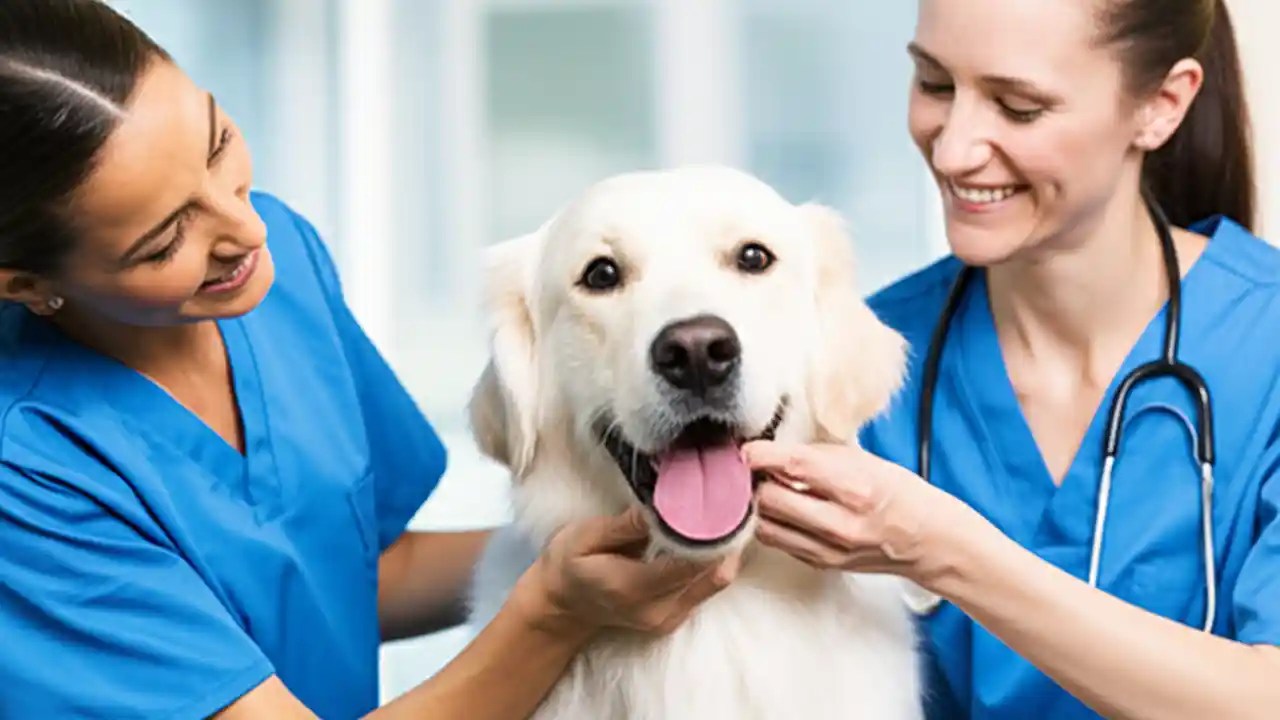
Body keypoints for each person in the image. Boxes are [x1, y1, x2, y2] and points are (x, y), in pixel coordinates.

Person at [0, 1, 740, 718]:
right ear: (26, 285)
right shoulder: (26, 470)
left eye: (218, 143)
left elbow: (355, 575)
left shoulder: (274, 264)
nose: (245, 226)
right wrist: (553, 611)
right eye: (165, 242)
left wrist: (617, 539)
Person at [743, 0, 1280, 718]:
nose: (953, 148)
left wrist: (943, 551)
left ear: (1160, 104)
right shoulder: (855, 359)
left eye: (1018, 107)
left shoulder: (1263, 343)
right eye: (935, 85)